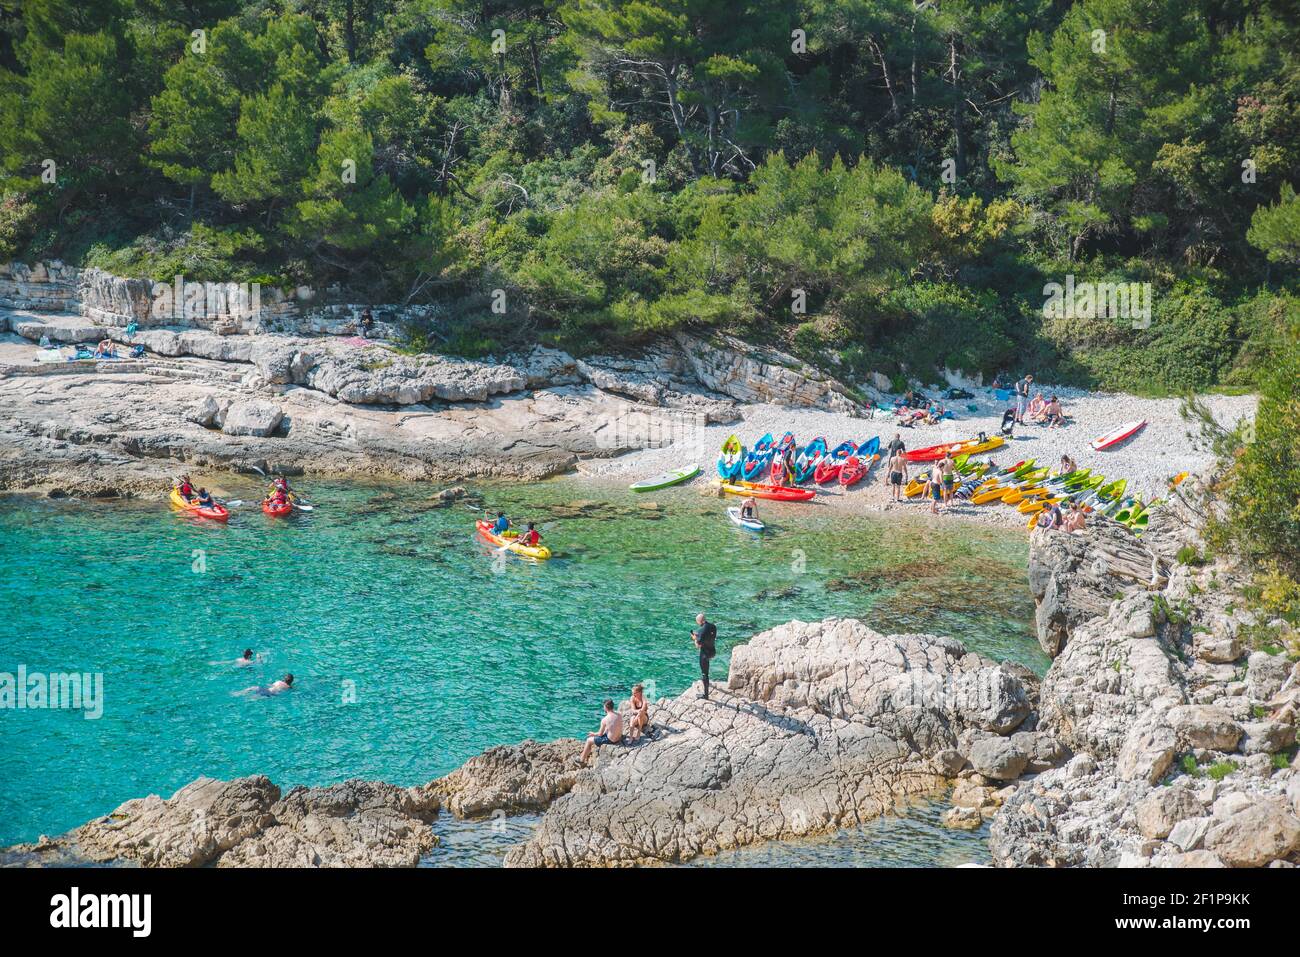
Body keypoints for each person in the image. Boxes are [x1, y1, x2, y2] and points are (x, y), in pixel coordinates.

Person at [579, 699, 623, 763]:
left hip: (611, 740)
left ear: (605, 707)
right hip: (619, 738)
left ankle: (581, 759)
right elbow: (613, 725)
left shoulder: (605, 719)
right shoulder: (619, 714)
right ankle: (584, 756)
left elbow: (600, 734)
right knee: (606, 730)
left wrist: (593, 733)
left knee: (589, 740)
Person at [692, 613, 717, 700]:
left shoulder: (701, 631)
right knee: (707, 671)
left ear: (699, 621)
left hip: (705, 654)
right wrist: (699, 635)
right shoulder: (713, 626)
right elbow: (710, 637)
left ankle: (706, 695)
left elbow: (698, 646)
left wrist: (695, 638)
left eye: (697, 622)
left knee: (704, 674)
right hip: (712, 652)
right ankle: (707, 684)